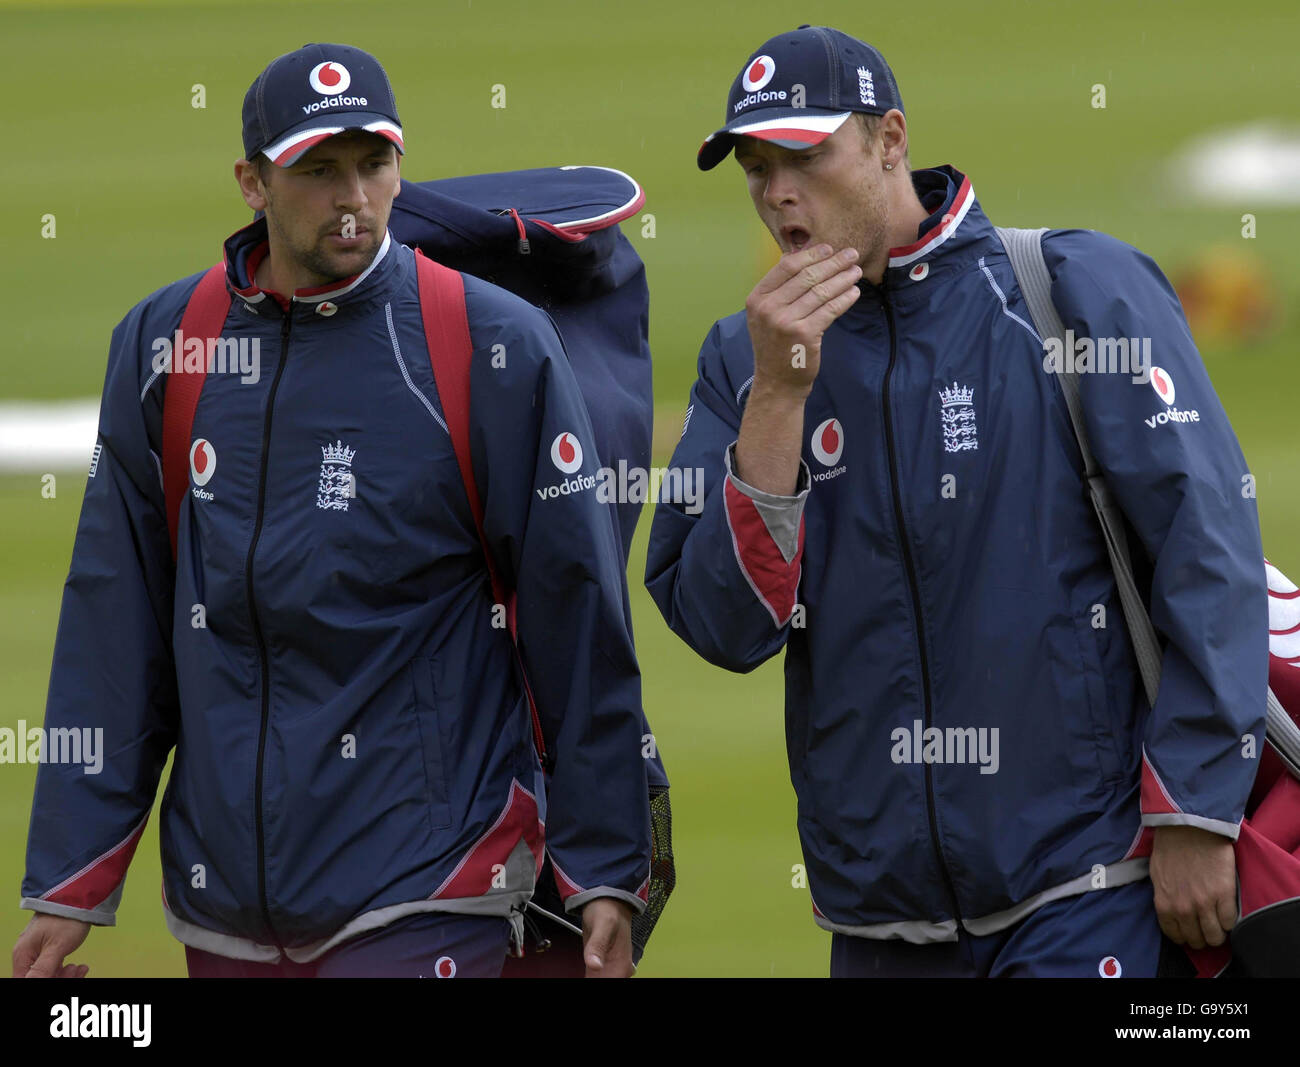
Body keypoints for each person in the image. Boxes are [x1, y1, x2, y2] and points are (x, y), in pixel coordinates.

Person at [14, 42, 650, 979]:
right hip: (224, 905)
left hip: (434, 888)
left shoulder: (492, 342)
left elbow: (575, 609)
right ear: (251, 182)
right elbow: (117, 616)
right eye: (318, 170)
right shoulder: (163, 345)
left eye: (374, 163)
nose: (352, 194)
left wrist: (605, 867)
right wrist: (72, 879)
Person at [646, 25, 1268, 977]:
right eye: (756, 166)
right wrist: (776, 400)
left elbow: (1208, 550)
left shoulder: (1070, 291)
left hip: (1085, 888)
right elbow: (722, 628)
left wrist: (1194, 808)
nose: (777, 192)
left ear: (890, 140)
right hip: (882, 924)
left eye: (805, 156)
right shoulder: (748, 358)